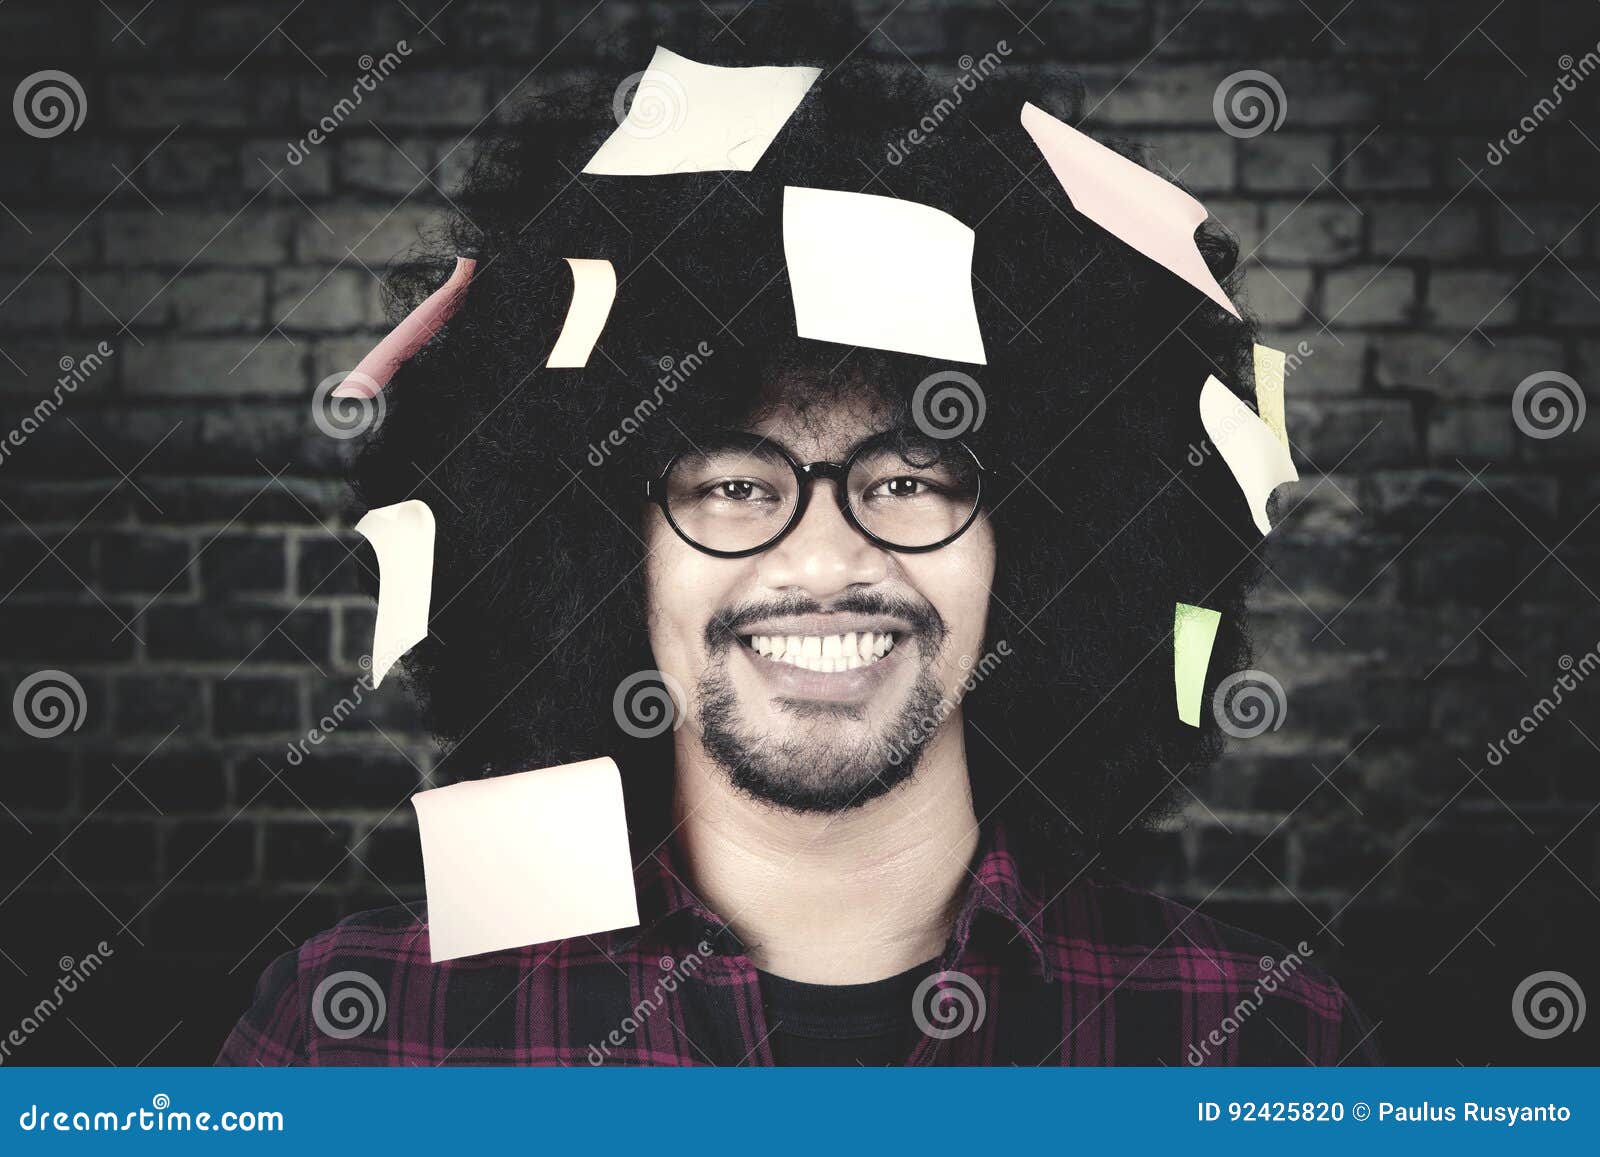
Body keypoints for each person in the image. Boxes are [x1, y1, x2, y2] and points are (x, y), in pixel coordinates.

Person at [218, 11, 1378, 1066]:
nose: (825, 562)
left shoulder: (1259, 1033)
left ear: (1039, 545)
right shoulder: (365, 1027)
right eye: (730, 482)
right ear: (597, 554)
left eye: (912, 477)